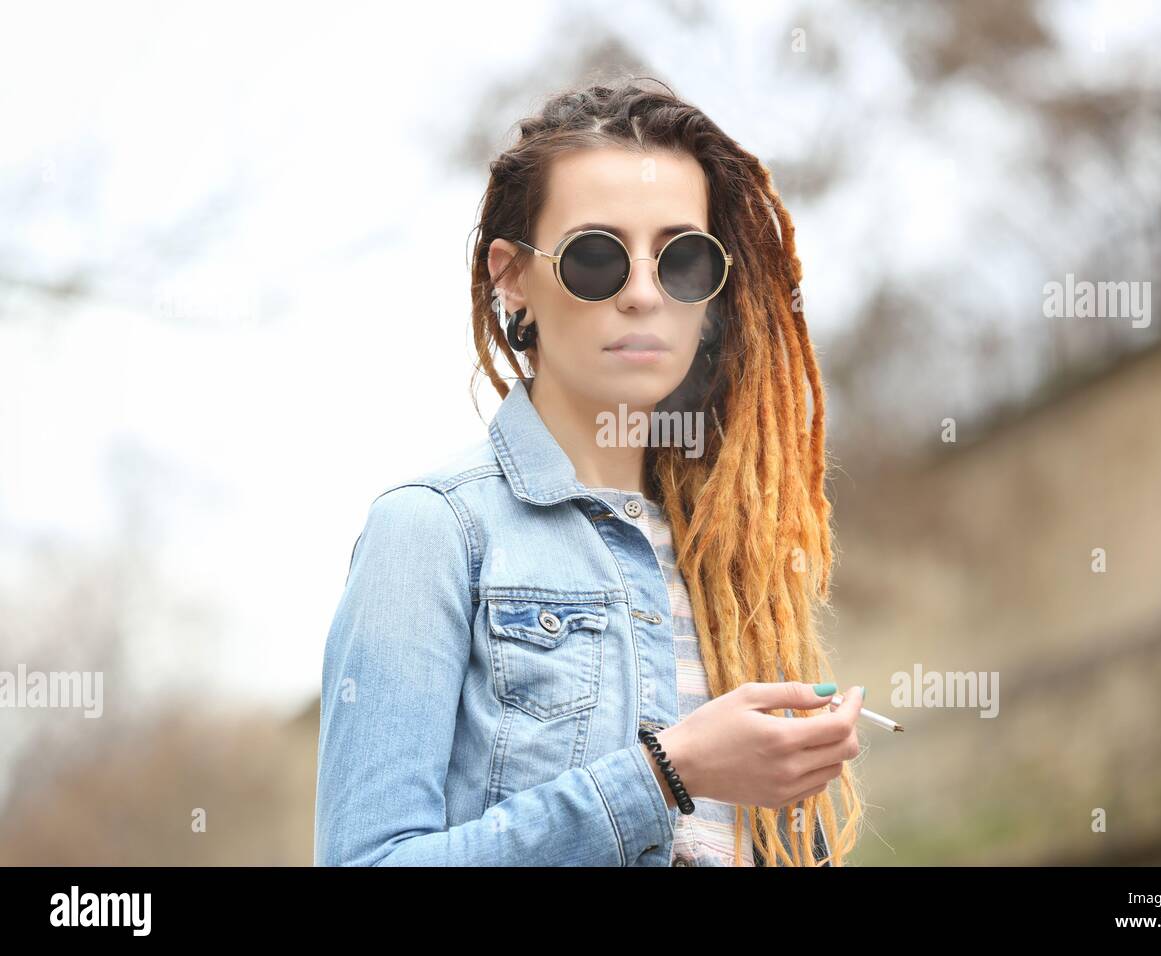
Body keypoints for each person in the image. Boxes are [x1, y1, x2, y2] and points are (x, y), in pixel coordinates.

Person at [314, 77, 865, 867]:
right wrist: (665, 775)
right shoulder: (432, 533)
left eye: (683, 261)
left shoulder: (735, 557)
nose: (643, 293)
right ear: (512, 278)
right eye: (597, 257)